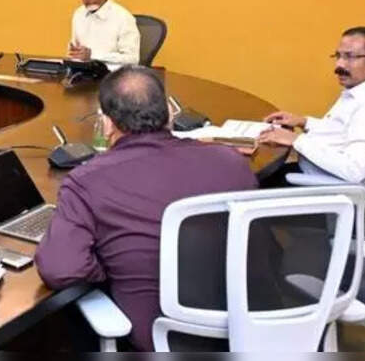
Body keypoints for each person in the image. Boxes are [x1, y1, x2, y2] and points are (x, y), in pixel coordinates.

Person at [35, 66, 257, 351]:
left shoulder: (86, 181)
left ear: (107, 124)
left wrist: (109, 265)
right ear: (169, 112)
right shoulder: (231, 161)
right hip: (249, 332)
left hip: (159, 339)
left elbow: (60, 269)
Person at [257, 26, 365, 184]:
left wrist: (296, 140)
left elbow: (354, 169)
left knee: (245, 181)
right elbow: (344, 131)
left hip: (325, 187)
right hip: (321, 174)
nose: (339, 65)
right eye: (338, 56)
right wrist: (305, 122)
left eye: (350, 57)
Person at [67, 0, 141, 66]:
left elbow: (132, 59)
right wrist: (74, 53)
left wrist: (93, 55)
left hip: (112, 73)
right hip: (83, 71)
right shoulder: (79, 14)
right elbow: (76, 53)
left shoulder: (123, 17)